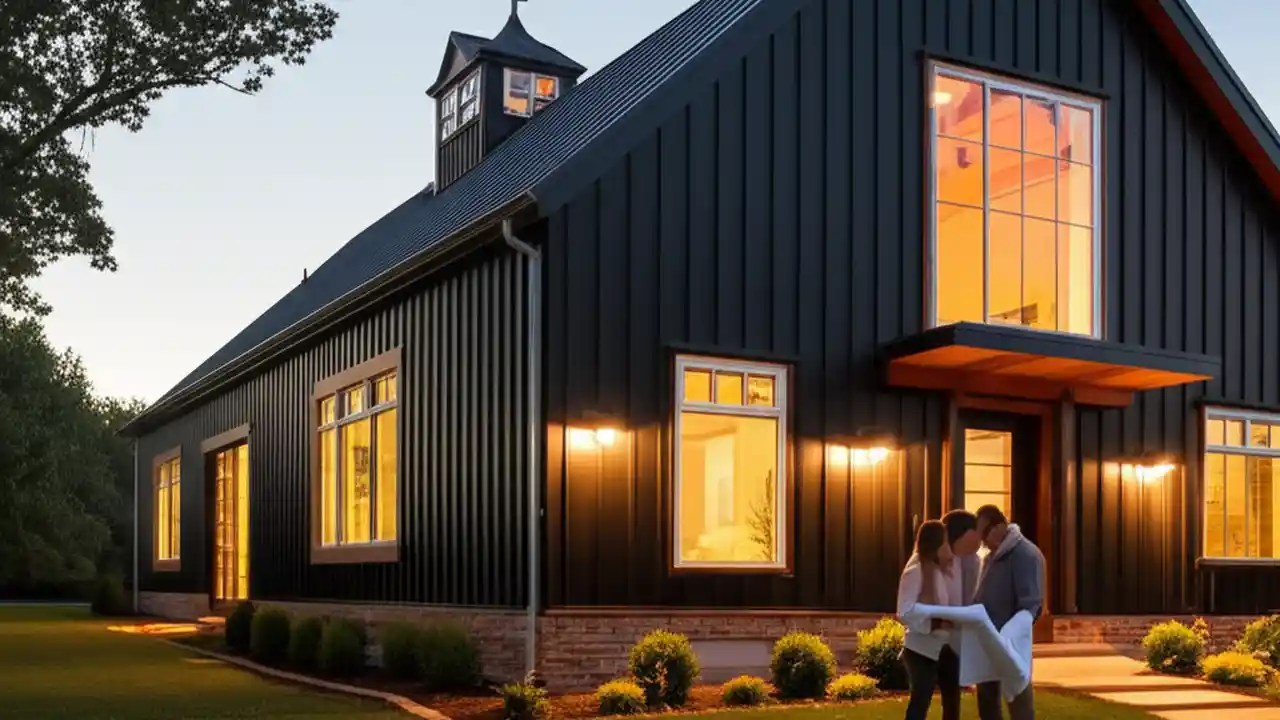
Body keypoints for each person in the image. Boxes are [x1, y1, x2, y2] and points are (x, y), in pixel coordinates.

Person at [973, 505, 1045, 720]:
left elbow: (1031, 605)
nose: (983, 542)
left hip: (1011, 645)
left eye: (985, 533)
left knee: (1019, 702)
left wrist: (1011, 636)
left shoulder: (1025, 554)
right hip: (987, 639)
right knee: (987, 702)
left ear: (1001, 526)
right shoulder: (991, 557)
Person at [897, 520, 961, 720]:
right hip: (920, 649)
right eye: (945, 542)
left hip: (944, 644)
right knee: (921, 699)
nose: (948, 546)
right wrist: (936, 622)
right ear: (936, 544)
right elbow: (904, 612)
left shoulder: (940, 569)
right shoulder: (915, 570)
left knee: (952, 698)